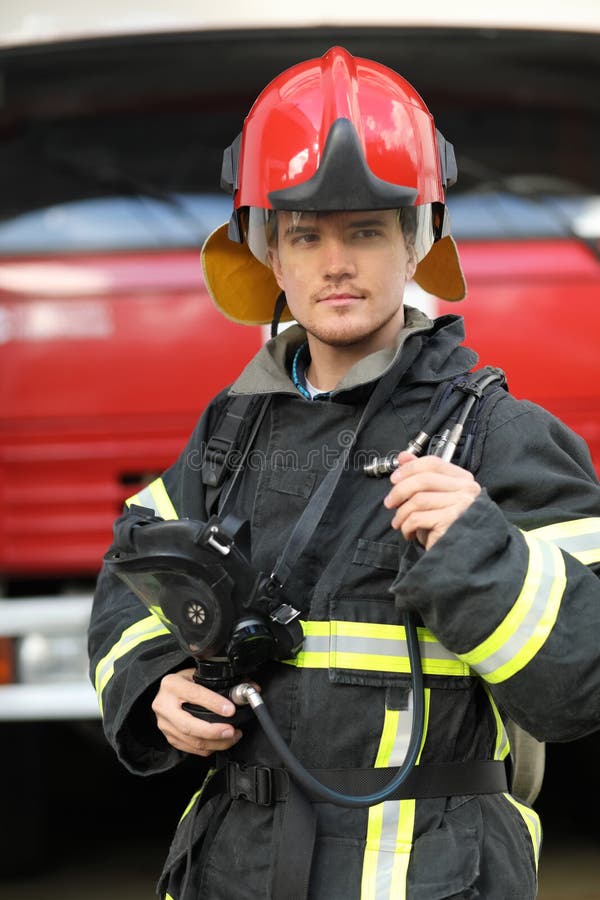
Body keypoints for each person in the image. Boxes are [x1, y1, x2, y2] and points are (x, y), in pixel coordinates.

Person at [89, 46, 600, 900]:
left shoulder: (501, 437)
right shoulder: (228, 434)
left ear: (417, 244)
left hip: (432, 872)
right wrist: (154, 688)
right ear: (270, 260)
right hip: (237, 865)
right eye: (306, 235)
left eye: (365, 230)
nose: (335, 262)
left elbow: (583, 683)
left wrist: (479, 547)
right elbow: (129, 571)